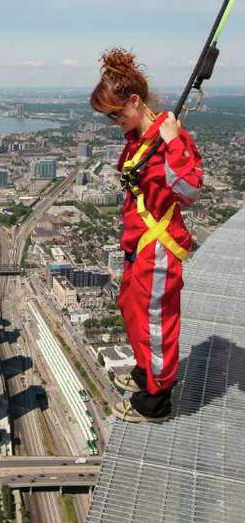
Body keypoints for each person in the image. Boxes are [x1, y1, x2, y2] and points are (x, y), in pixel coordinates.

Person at [90, 48, 202, 422]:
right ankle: (145, 373)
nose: (112, 121)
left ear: (134, 100)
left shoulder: (170, 137)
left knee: (155, 324)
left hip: (158, 248)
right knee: (134, 313)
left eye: (115, 113)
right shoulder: (140, 137)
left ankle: (155, 402)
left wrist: (172, 142)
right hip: (139, 244)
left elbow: (189, 191)